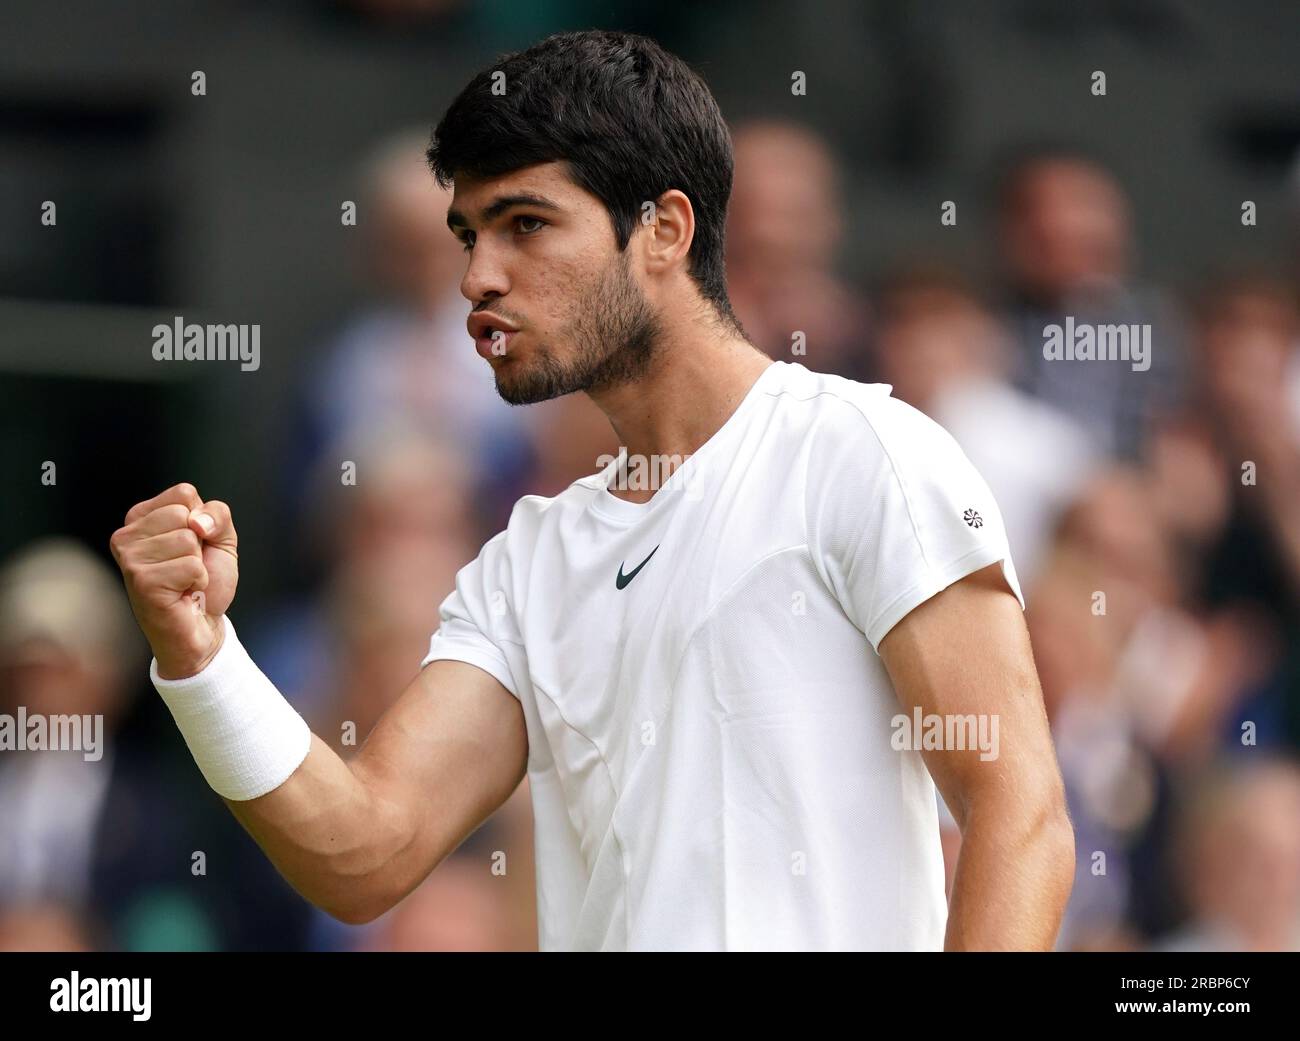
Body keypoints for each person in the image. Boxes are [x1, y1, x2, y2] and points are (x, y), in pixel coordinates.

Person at [108, 29, 1073, 951]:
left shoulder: (868, 454)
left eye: (526, 223)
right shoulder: (526, 564)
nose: (479, 276)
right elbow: (367, 851)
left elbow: (1019, 815)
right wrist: (201, 654)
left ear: (663, 230)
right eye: (469, 234)